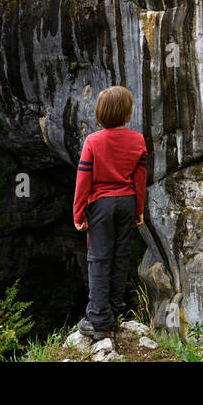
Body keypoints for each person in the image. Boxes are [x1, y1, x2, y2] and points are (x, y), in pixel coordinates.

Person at [73, 86, 147, 339]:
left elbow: (83, 180)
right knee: (120, 256)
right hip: (127, 202)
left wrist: (78, 214)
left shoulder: (93, 142)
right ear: (127, 116)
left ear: (99, 115)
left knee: (99, 259)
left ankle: (97, 318)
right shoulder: (138, 140)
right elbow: (140, 178)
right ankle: (114, 311)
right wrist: (139, 210)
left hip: (101, 206)